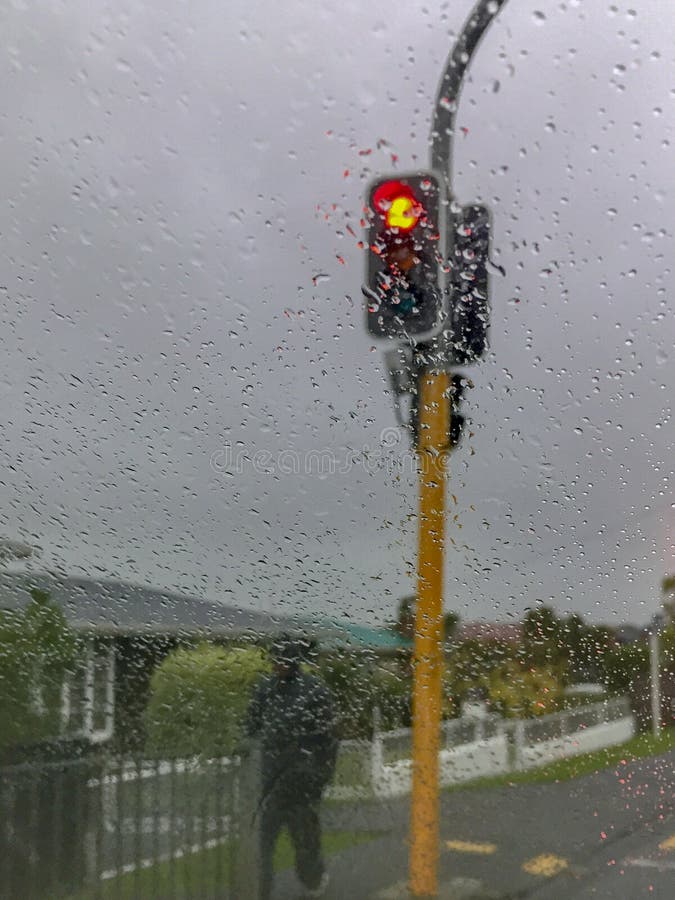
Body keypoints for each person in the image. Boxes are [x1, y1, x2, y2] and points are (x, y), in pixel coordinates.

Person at [245, 634, 338, 900]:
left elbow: (328, 741)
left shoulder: (315, 691)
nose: (278, 665)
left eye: (283, 660)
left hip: (302, 786)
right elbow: (251, 727)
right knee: (262, 845)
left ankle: (314, 881)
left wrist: (319, 778)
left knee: (305, 846)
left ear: (295, 661)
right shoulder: (265, 689)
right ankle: (260, 892)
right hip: (271, 783)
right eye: (274, 659)